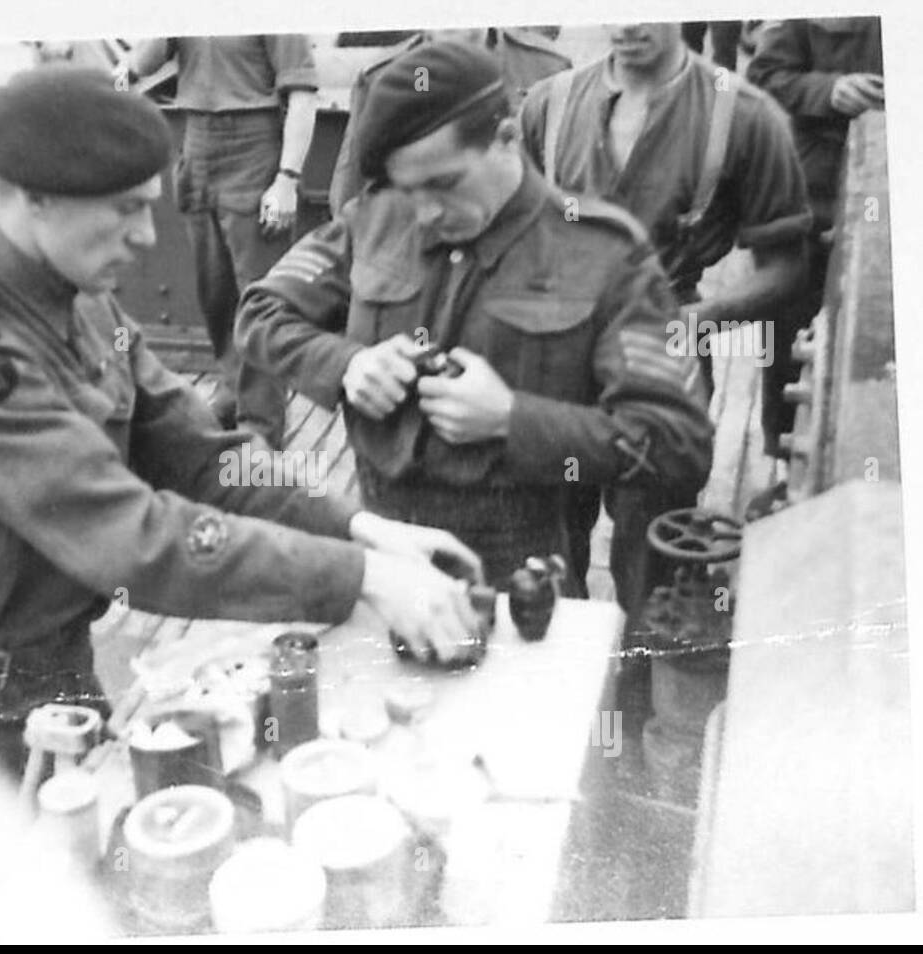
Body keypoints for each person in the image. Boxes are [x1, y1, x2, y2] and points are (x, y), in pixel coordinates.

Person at [0, 66, 484, 776]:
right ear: (33, 200)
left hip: (57, 673)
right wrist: (360, 576)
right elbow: (133, 537)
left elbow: (205, 456)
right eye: (123, 209)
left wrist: (360, 529)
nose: (145, 235)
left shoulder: (81, 300)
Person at [237, 41, 713, 608]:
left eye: (445, 184)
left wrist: (512, 419)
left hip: (520, 569)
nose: (426, 214)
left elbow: (677, 442)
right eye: (409, 190)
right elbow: (262, 312)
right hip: (385, 551)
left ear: (507, 138)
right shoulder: (378, 216)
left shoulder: (604, 254)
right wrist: (348, 364)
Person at [517, 22, 811, 605]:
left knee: (652, 545)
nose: (627, 24)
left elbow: (787, 267)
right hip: (555, 349)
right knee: (547, 536)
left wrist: (699, 321)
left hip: (665, 345)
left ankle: (639, 678)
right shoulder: (547, 105)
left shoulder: (744, 115)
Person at [119, 35, 319, 449]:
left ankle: (262, 425)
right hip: (197, 142)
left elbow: (302, 97)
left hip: (253, 143)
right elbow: (146, 59)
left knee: (258, 299)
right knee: (216, 292)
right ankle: (232, 394)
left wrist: (286, 181)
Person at [745, 16, 883, 510]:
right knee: (784, 328)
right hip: (815, 187)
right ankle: (786, 462)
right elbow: (764, 74)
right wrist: (829, 90)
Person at [328, 26, 571, 217]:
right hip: (423, 242)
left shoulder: (546, 67)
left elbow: (570, 178)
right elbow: (351, 193)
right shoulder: (386, 76)